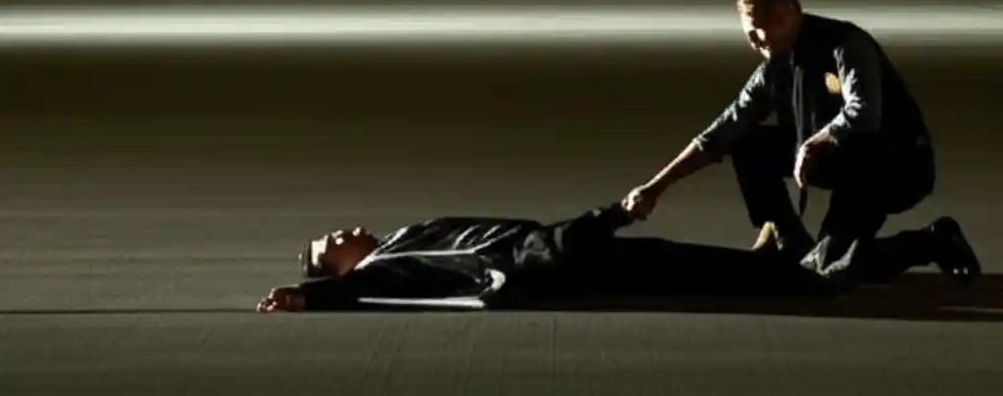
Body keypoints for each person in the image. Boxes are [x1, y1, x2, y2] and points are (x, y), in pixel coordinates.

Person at [622, 0, 981, 284]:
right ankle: (785, 237)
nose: (759, 39)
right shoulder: (772, 70)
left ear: (793, 14)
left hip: (892, 167)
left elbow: (864, 114)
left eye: (768, 26)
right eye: (751, 32)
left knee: (827, 272)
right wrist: (654, 188)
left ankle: (933, 242)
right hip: (840, 163)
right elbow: (721, 132)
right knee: (746, 142)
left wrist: (814, 141)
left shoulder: (846, 45)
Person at [257, 202, 843, 313]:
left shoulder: (404, 235)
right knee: (663, 264)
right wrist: (306, 295)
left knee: (664, 259)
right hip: (537, 261)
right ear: (337, 264)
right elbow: (353, 292)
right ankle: (798, 279)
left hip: (539, 247)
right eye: (331, 242)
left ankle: (773, 268)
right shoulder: (380, 267)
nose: (344, 230)